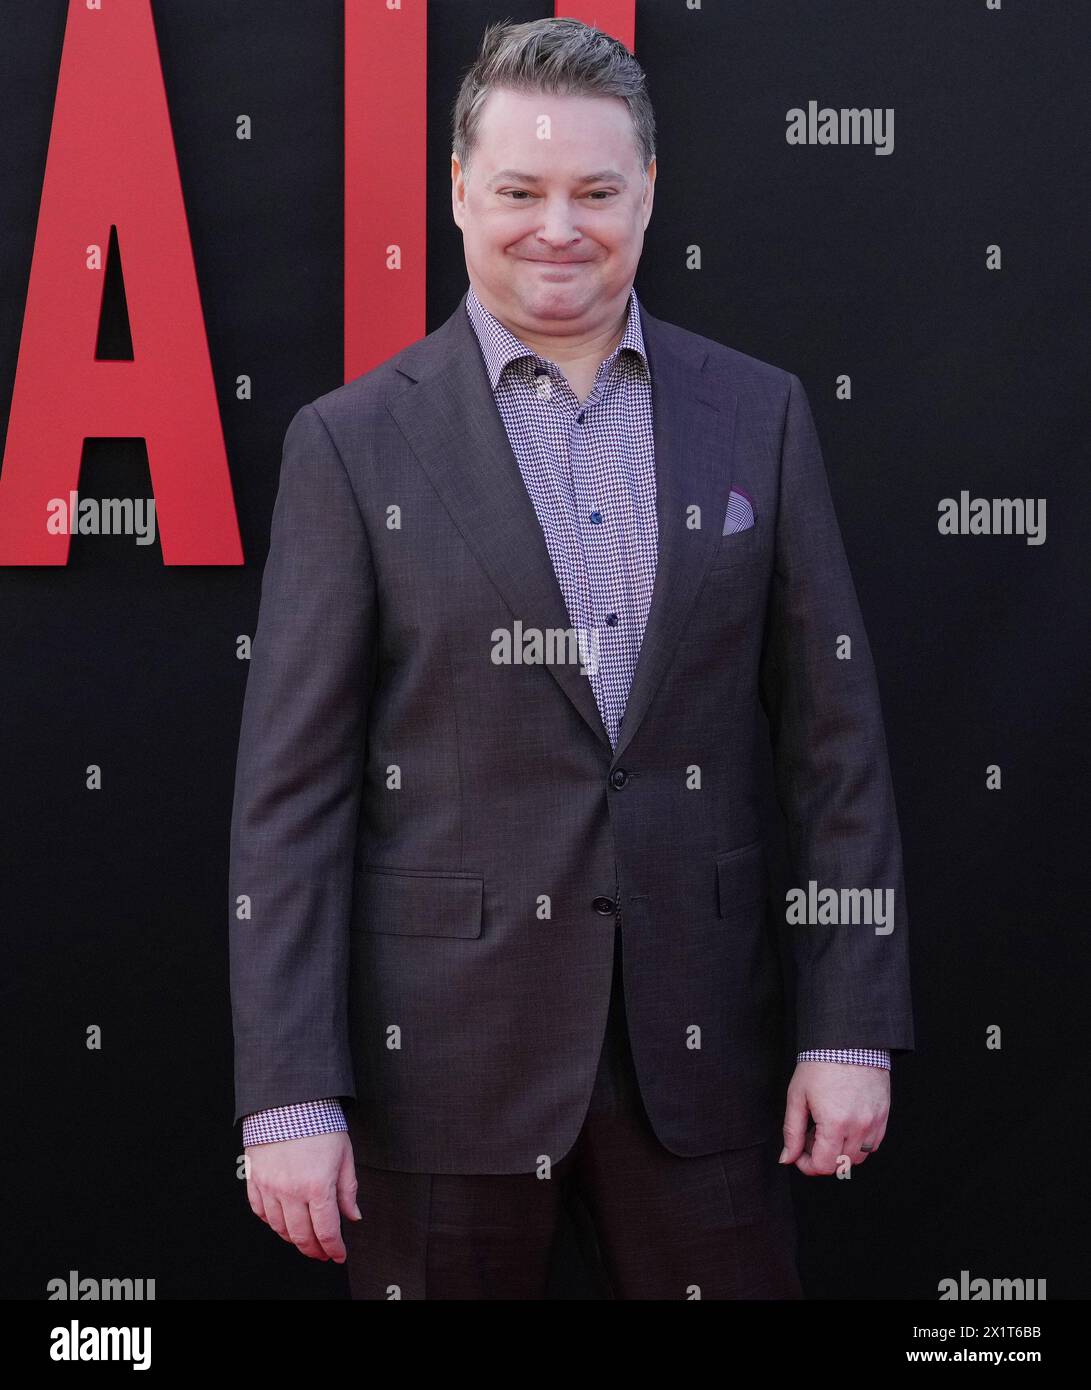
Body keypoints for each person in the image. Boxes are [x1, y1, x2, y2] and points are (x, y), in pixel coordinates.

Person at [229, 16, 914, 1300]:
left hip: (707, 1063)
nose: (559, 225)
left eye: (596, 191)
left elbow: (834, 749)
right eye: (519, 191)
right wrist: (286, 1095)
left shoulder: (755, 414)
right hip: (435, 1075)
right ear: (455, 194)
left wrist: (850, 1023)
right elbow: (290, 801)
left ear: (647, 193)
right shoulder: (350, 443)